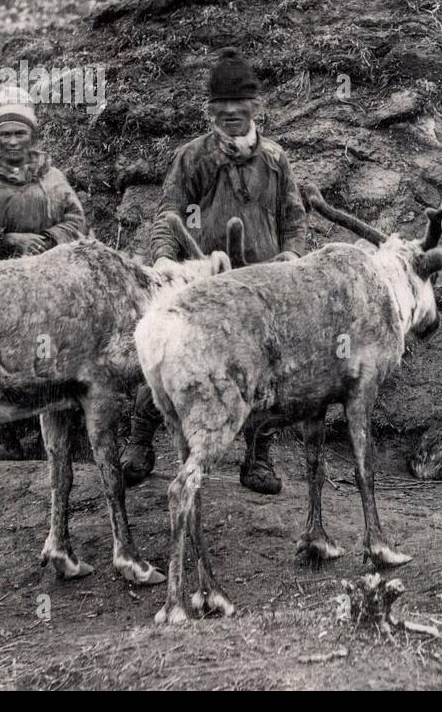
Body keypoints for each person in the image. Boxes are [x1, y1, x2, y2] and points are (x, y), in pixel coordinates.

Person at [122, 48, 308, 494]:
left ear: (254, 108)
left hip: (262, 287)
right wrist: (166, 259)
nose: (230, 116)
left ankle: (258, 459)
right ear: (210, 112)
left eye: (239, 108)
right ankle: (140, 443)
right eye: (221, 109)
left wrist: (291, 256)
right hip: (205, 285)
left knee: (265, 373)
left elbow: (294, 218)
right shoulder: (193, 158)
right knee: (175, 361)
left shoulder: (275, 161)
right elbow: (167, 213)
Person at [0, 85, 88, 460]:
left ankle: (68, 432)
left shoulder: (52, 177)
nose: (13, 141)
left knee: (56, 351)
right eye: (6, 134)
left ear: (32, 134)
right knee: (2, 355)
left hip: (48, 283)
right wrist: (8, 239)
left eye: (20, 133)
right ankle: (6, 434)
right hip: (0, 284)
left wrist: (48, 239)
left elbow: (76, 219)